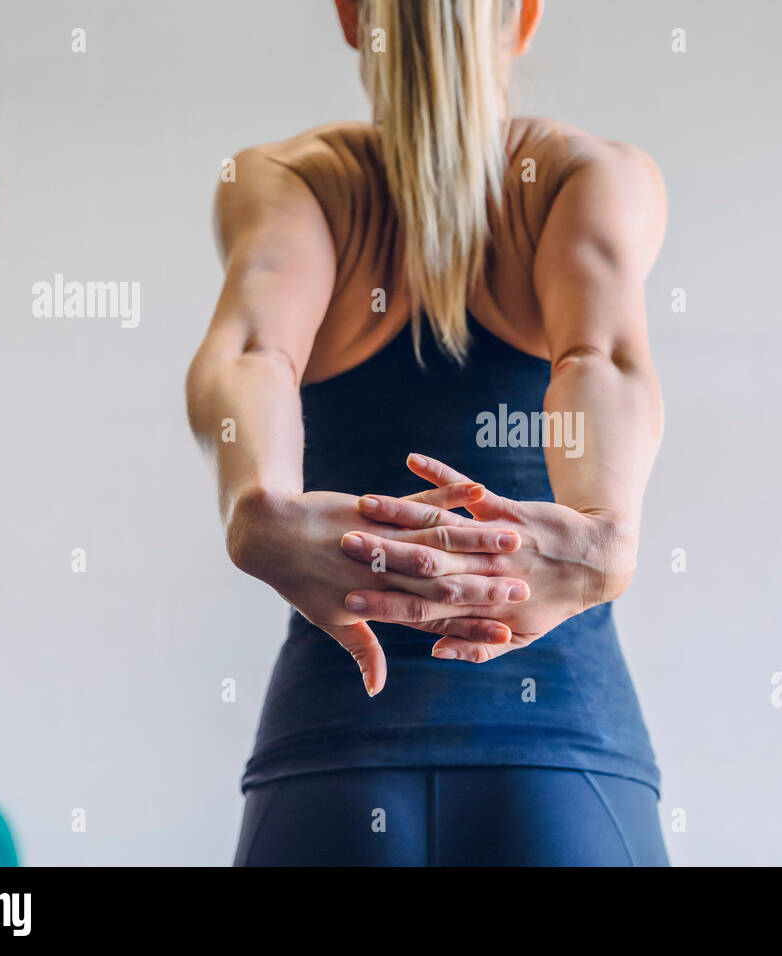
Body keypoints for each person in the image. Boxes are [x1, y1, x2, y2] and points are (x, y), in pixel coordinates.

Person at [186, 0, 668, 865]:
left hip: (332, 757)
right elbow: (598, 359)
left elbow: (253, 353)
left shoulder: (288, 180)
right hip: (563, 771)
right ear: (525, 15)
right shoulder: (590, 177)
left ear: (347, 15)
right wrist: (608, 535)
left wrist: (255, 505)